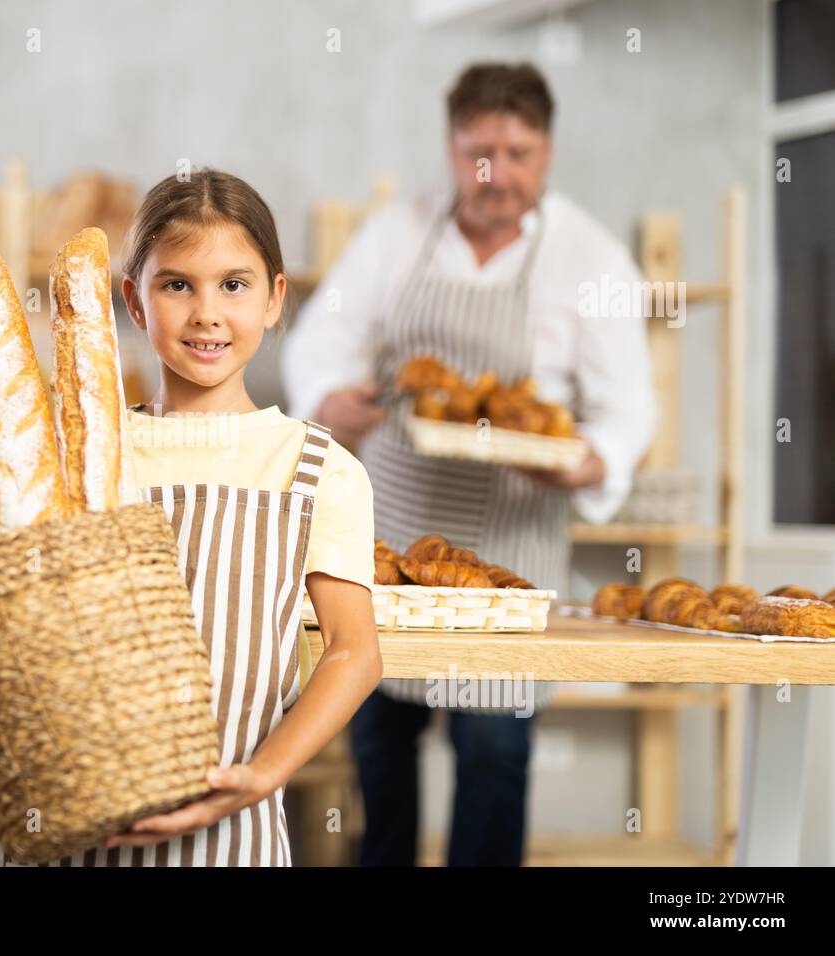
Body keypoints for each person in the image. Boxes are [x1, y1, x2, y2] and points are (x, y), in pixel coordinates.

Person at [0, 169, 382, 866]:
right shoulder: (67, 455)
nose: (207, 312)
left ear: (275, 300)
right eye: (176, 284)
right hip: (59, 836)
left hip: (229, 838)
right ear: (134, 302)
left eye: (234, 285)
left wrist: (265, 774)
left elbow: (354, 651)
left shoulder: (318, 468)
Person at [282, 63, 657, 866]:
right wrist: (325, 398)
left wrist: (591, 462)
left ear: (547, 153)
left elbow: (629, 412)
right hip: (391, 541)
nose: (498, 173)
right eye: (479, 152)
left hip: (510, 555)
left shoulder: (591, 261)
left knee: (494, 761)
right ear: (451, 150)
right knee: (379, 754)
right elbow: (320, 339)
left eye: (518, 153)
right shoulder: (398, 231)